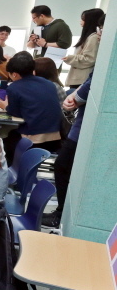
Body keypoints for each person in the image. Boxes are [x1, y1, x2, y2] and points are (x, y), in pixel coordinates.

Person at [0, 51, 63, 161]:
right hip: (56, 138)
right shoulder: (48, 84)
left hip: (33, 140)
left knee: (4, 139)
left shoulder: (14, 87)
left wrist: (5, 106)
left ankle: (12, 171)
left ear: (14, 74)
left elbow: (14, 112)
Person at [43, 73, 92, 228]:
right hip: (68, 133)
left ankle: (60, 214)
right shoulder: (54, 86)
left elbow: (89, 84)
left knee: (63, 168)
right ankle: (61, 213)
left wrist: (75, 96)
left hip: (80, 131)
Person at [63, 8, 103, 89]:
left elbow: (89, 59)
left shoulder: (93, 38)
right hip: (78, 77)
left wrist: (70, 58)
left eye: (83, 19)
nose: (80, 21)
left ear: (90, 21)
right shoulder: (88, 36)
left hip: (82, 79)